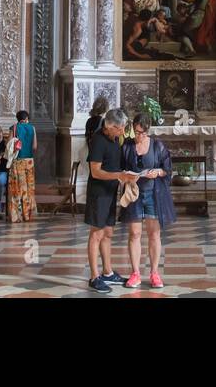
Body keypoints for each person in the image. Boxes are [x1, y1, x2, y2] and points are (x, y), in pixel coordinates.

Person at [119, 113, 177, 289]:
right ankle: (135, 273)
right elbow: (120, 169)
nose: (139, 136)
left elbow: (167, 169)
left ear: (147, 131)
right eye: (136, 132)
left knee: (154, 234)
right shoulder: (127, 147)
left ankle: (154, 273)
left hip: (153, 194)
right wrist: (127, 176)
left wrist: (157, 172)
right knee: (134, 234)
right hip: (134, 194)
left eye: (142, 133)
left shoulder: (157, 145)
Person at [86, 108, 138, 293]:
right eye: (121, 128)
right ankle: (94, 277)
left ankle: (108, 272)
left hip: (110, 192)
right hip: (98, 194)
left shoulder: (114, 138)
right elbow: (95, 171)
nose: (123, 131)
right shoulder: (99, 141)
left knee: (108, 233)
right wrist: (119, 176)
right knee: (96, 234)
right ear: (110, 126)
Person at [8, 110, 37, 222]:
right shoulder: (32, 128)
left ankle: (16, 216)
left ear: (18, 118)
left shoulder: (14, 128)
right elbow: (34, 147)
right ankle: (28, 215)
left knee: (16, 188)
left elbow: (9, 144)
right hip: (29, 161)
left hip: (17, 160)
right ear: (27, 118)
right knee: (29, 188)